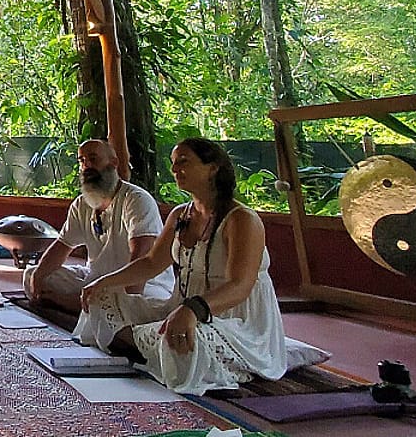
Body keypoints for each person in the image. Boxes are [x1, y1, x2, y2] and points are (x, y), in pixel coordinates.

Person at [79, 137, 287, 395]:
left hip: (234, 320)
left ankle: (152, 348)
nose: (175, 169)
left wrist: (192, 310)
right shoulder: (181, 214)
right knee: (102, 299)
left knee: (184, 339)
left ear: (213, 168)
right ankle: (153, 347)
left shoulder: (241, 220)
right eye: (173, 163)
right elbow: (152, 263)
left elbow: (240, 286)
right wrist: (102, 282)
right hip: (180, 309)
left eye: (184, 162)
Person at [23, 139, 172, 347]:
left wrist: (114, 299)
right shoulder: (82, 204)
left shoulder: (136, 200)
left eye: (93, 159)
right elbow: (62, 245)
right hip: (95, 281)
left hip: (141, 285)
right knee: (31, 275)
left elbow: (141, 263)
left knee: (127, 304)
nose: (87, 166)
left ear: (113, 163)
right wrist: (39, 276)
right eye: (82, 161)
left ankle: (77, 305)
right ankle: (86, 306)